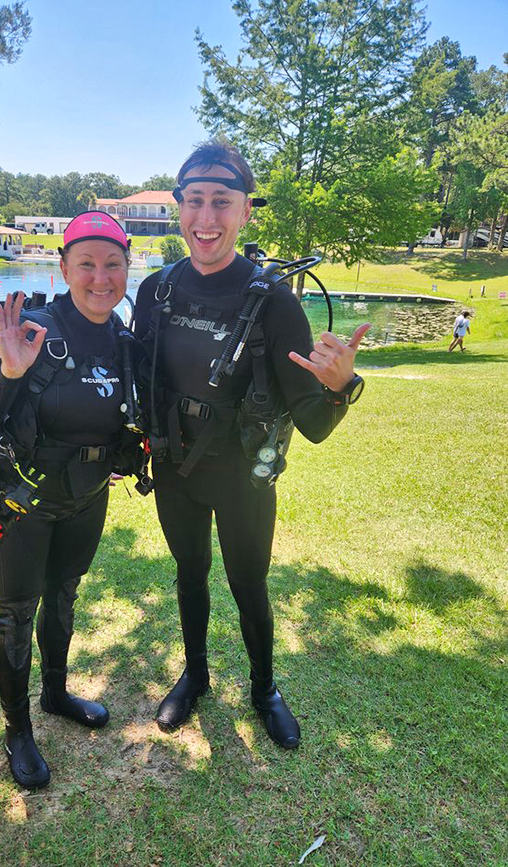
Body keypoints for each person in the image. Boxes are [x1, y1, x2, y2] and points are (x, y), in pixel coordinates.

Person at [134, 141, 370, 750]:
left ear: (246, 213)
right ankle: (196, 675)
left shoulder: (274, 302)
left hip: (244, 476)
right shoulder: (157, 292)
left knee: (247, 583)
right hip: (175, 469)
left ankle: (264, 688)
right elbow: (138, 382)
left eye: (221, 202)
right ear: (179, 207)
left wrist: (343, 387)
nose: (205, 219)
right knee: (190, 574)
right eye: (194, 201)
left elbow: (314, 423)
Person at [0, 212, 140, 789]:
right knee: (16, 614)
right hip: (18, 502)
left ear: (127, 269)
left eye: (113, 264)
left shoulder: (125, 342)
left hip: (86, 499)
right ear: (63, 267)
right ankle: (17, 731)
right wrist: (8, 374)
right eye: (86, 263)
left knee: (63, 593)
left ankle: (56, 693)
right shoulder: (27, 330)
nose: (100, 277)